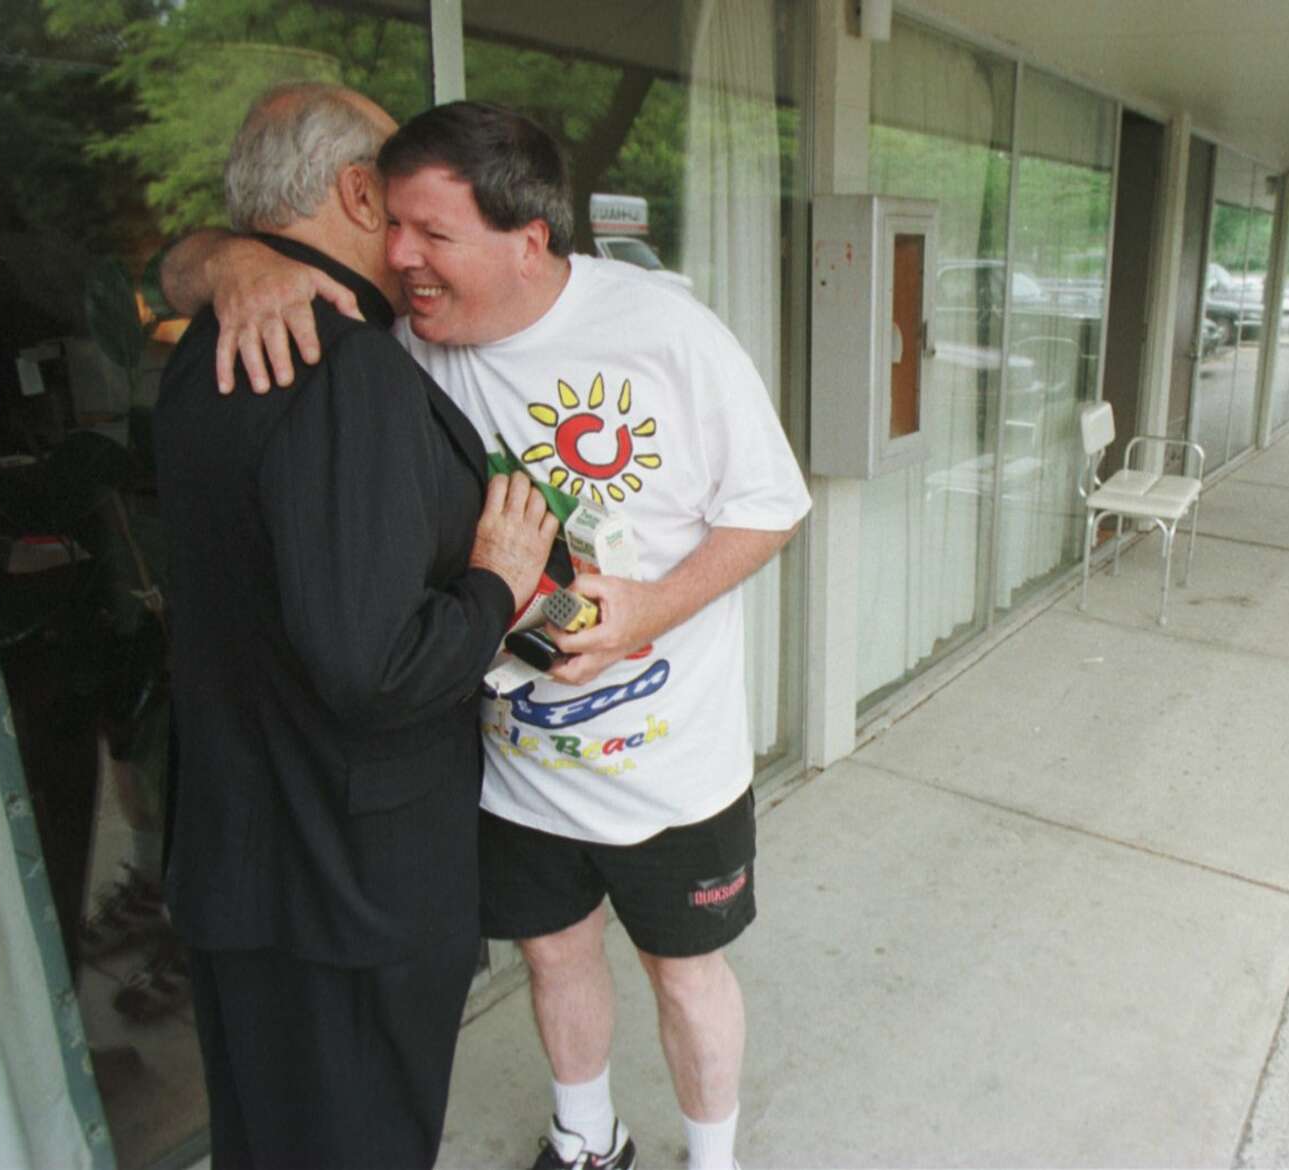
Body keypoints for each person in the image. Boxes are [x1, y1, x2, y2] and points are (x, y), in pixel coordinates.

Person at [164, 100, 810, 1170]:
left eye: (433, 234)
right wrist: (228, 255)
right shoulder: (399, 344)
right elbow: (202, 275)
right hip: (511, 769)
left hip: (667, 760)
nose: (404, 258)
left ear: (529, 240)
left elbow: (771, 504)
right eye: (394, 224)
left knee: (685, 974)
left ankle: (715, 1158)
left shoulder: (666, 330)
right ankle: (587, 1141)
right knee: (555, 961)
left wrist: (647, 610)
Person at [154, 84, 559, 1169]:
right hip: (347, 897)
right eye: (407, 198)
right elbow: (373, 667)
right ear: (355, 192)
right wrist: (496, 584)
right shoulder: (346, 371)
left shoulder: (203, 348)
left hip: (245, 868)